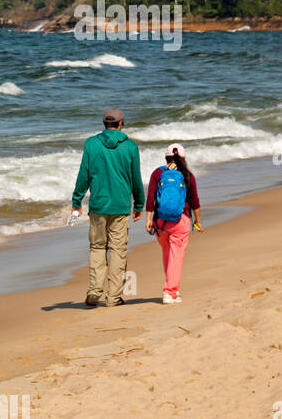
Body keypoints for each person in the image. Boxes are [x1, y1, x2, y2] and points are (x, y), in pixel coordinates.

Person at [70, 108, 144, 307]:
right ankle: (114, 297)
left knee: (97, 247)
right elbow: (136, 178)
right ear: (121, 123)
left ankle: (94, 291)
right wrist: (139, 204)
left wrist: (77, 201)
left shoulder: (91, 144)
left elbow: (83, 175)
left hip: (98, 205)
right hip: (120, 206)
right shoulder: (130, 147)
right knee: (118, 250)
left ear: (104, 124)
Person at [146, 142, 203, 304]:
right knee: (176, 255)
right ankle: (170, 291)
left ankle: (173, 289)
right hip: (180, 219)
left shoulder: (157, 173)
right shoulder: (187, 175)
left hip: (160, 221)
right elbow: (195, 201)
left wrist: (148, 220)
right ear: (183, 158)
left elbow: (150, 199)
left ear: (166, 156)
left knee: (167, 252)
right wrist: (197, 221)